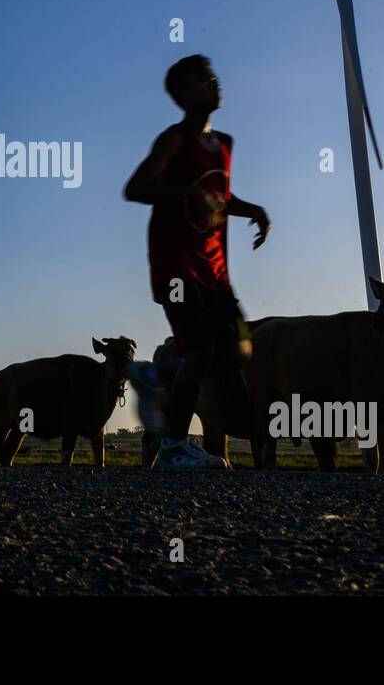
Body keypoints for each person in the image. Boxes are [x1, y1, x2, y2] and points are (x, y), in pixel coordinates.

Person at [123, 55, 270, 469]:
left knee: (239, 349)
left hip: (216, 272)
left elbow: (219, 196)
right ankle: (173, 446)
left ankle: (155, 374)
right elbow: (136, 188)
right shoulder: (173, 140)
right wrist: (185, 194)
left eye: (213, 76)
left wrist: (252, 209)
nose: (215, 82)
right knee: (201, 352)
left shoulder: (224, 144)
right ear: (182, 93)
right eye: (204, 79)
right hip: (176, 265)